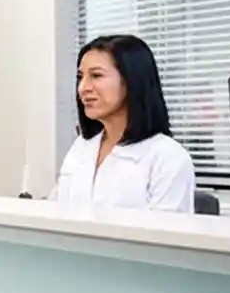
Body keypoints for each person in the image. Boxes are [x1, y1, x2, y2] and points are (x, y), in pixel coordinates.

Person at [52, 34, 196, 212]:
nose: (83, 88)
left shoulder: (168, 157)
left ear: (131, 81)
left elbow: (167, 236)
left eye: (96, 75)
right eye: (80, 77)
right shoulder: (82, 147)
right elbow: (55, 215)